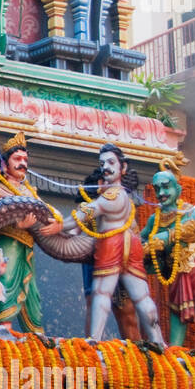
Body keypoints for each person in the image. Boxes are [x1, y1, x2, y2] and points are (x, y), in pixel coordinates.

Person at [67, 143, 164, 344]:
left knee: (108, 297)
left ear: (123, 167)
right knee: (135, 298)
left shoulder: (113, 196)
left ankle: (94, 341)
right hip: (119, 248)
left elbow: (77, 220)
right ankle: (158, 342)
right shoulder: (120, 198)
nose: (106, 168)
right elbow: (75, 229)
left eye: (111, 162)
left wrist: (56, 225)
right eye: (102, 164)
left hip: (112, 245)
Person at [142, 161, 195, 352]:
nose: (161, 193)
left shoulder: (192, 211)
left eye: (166, 187)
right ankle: (174, 353)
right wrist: (144, 248)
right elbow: (141, 241)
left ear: (178, 189)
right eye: (157, 189)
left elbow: (189, 230)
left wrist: (164, 238)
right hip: (175, 267)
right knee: (177, 310)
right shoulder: (154, 219)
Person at [0, 133, 61, 333]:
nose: (22, 163)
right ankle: (5, 333)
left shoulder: (31, 192)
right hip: (6, 243)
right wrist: (18, 225)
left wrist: (57, 224)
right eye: (17, 159)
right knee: (7, 282)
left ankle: (34, 337)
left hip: (27, 247)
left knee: (31, 293)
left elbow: (53, 212)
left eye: (25, 160)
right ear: (5, 163)